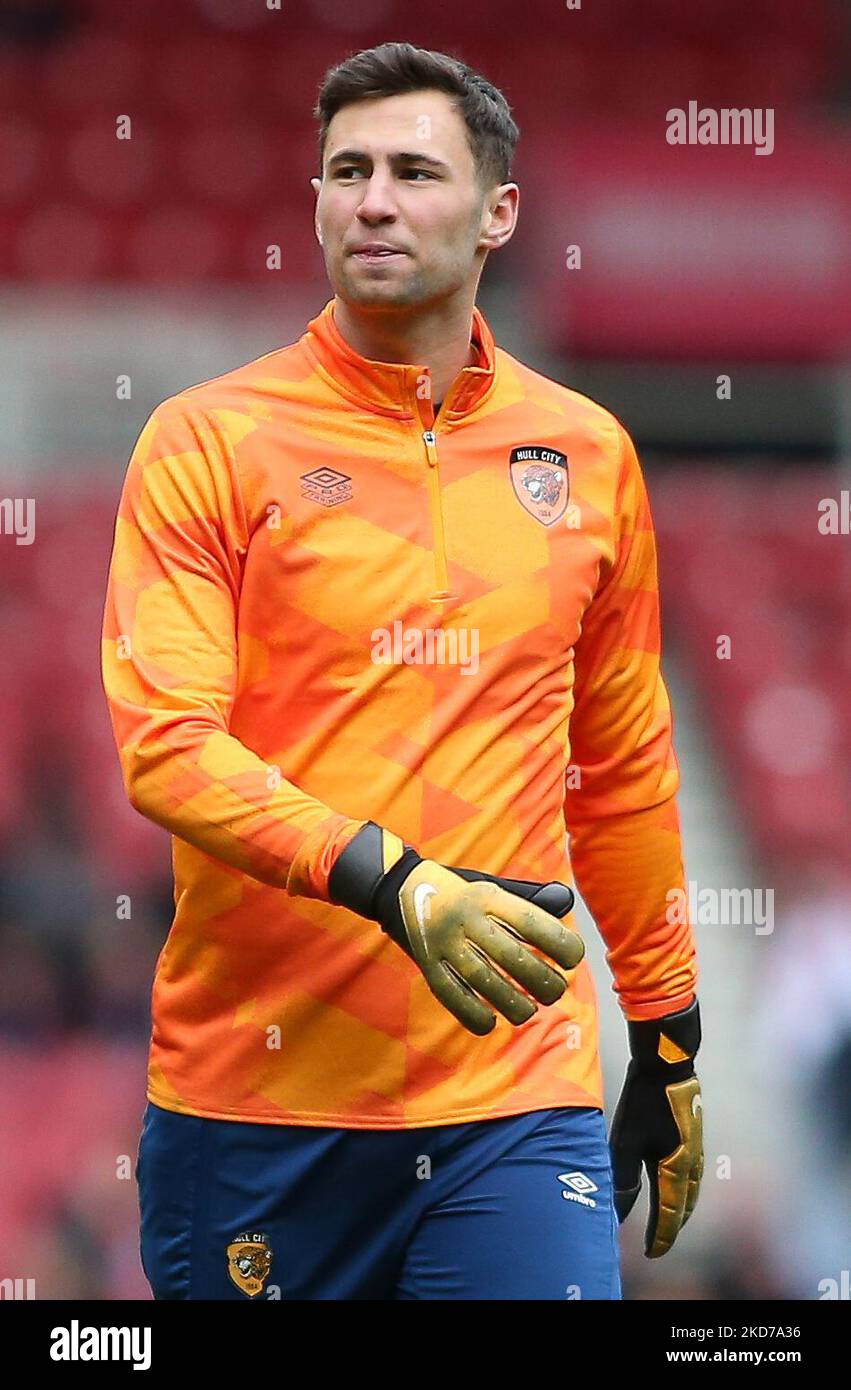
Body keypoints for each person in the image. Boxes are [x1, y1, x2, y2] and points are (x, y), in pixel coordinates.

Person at [101, 41, 702, 1301]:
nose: (371, 199)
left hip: (511, 1097)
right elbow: (166, 745)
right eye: (345, 170)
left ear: (498, 215)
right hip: (256, 1102)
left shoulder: (586, 454)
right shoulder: (208, 441)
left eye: (412, 171)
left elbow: (622, 765)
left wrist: (667, 1026)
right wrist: (396, 885)